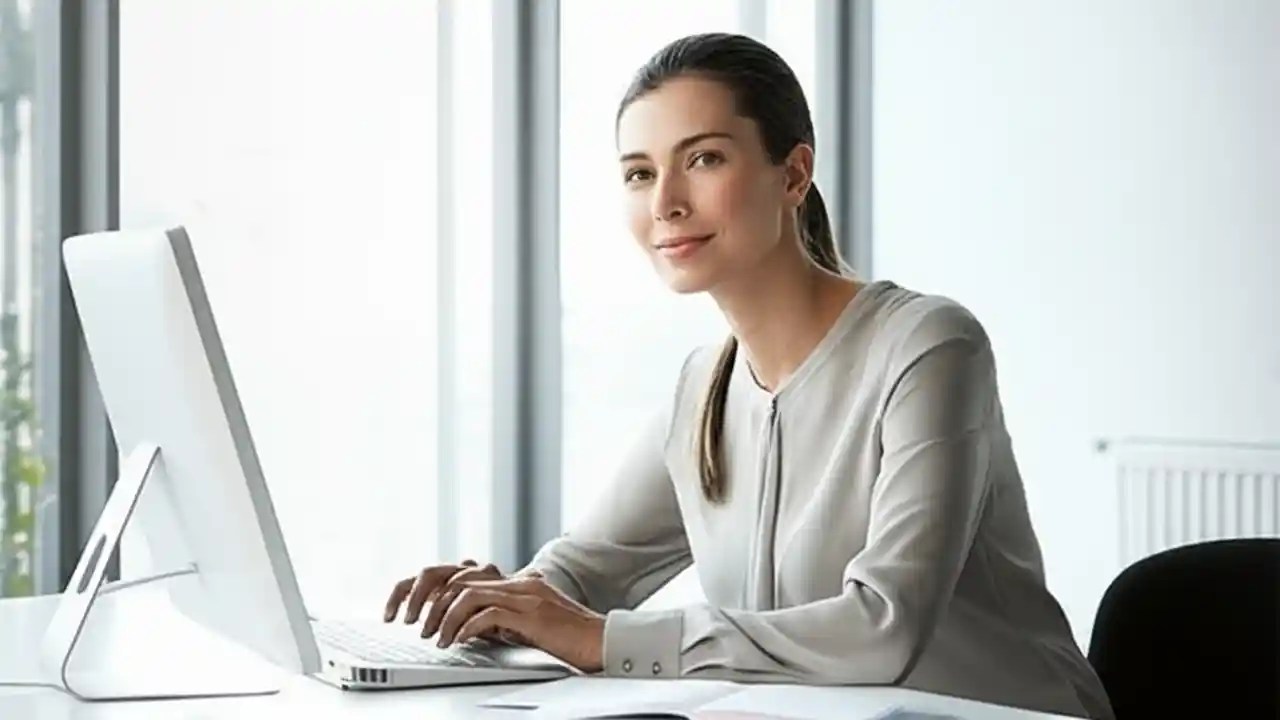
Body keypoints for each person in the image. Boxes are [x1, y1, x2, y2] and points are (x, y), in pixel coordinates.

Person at [383, 33, 1113, 720]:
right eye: (639, 173)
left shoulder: (928, 347)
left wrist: (604, 640)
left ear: (793, 173)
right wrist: (499, 601)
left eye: (702, 159)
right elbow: (586, 570)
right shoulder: (703, 386)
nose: (665, 200)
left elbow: (884, 628)